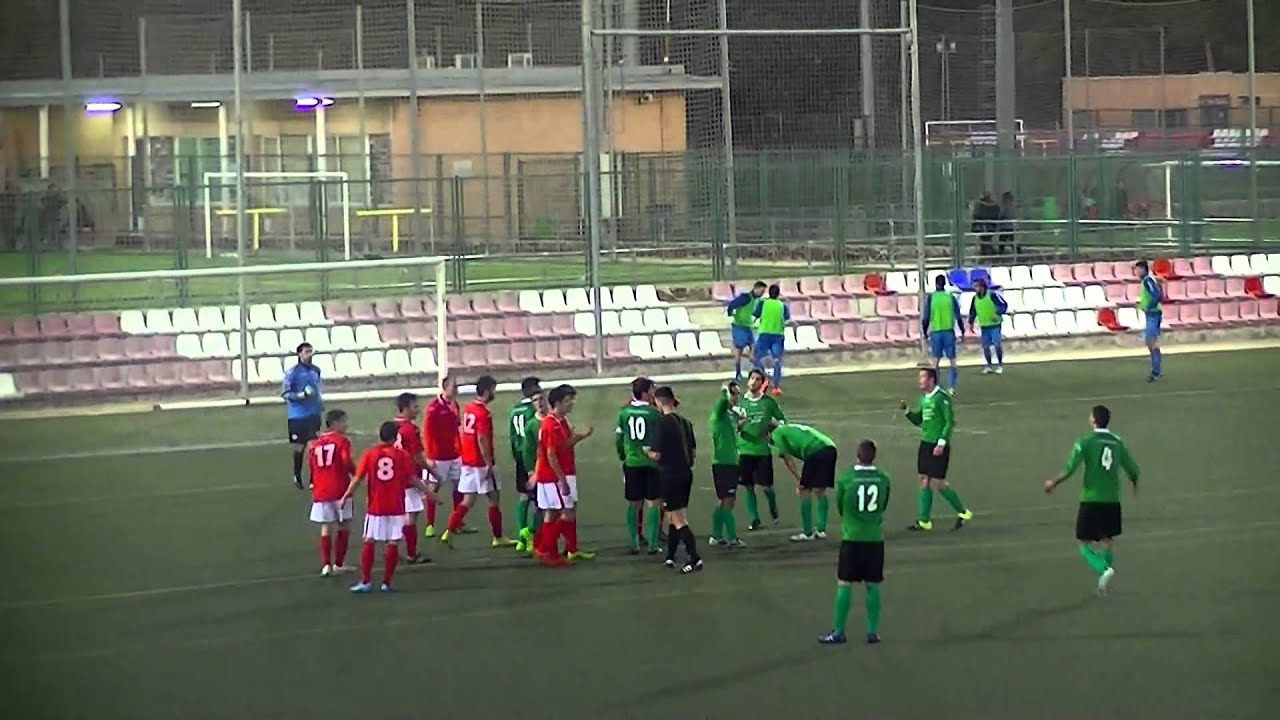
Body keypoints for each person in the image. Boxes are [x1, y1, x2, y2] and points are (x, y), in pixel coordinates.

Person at [1043, 405, 1140, 595]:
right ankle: (1103, 584)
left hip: (1091, 499)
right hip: (1112, 500)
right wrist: (1135, 484)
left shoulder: (1085, 442)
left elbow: (1070, 468)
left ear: (1093, 420)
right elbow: (1132, 468)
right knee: (1106, 540)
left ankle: (1103, 569)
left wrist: (1053, 483)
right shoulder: (1117, 442)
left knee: (1082, 542)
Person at [341, 421, 432, 593]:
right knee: (393, 542)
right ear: (395, 437)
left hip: (375, 506)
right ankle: (386, 583)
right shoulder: (402, 455)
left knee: (369, 541)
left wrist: (347, 494)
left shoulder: (369, 454)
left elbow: (358, 478)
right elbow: (412, 479)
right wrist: (430, 493)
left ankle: (366, 581)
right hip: (396, 506)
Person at [820, 439, 889, 645]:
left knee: (844, 584)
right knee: (873, 585)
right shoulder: (883, 478)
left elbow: (841, 506)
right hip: (875, 538)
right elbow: (883, 505)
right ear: (873, 456)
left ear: (857, 455)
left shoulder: (845, 478)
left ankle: (839, 631)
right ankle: (872, 632)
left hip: (852, 537)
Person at [444, 375, 517, 548]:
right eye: (493, 389)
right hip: (480, 463)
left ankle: (449, 530)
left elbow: (463, 431)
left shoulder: (469, 408)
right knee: (493, 499)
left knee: (467, 500)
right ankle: (498, 537)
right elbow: (482, 438)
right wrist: (489, 463)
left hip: (468, 461)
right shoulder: (483, 413)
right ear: (486, 390)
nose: (494, 393)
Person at [901, 368, 972, 532]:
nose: (919, 380)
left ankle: (963, 512)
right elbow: (919, 420)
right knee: (923, 479)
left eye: (922, 377)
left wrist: (941, 443)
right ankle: (924, 521)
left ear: (931, 380)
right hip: (925, 443)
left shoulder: (942, 397)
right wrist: (906, 411)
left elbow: (949, 421)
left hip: (938, 445)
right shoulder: (924, 398)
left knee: (939, 483)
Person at [532, 384, 595, 565]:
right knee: (566, 513)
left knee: (554, 513)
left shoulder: (560, 421)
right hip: (555, 476)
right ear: (557, 403)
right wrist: (562, 480)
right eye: (568, 401)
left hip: (560, 473)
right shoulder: (550, 425)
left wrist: (580, 437)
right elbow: (551, 454)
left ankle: (562, 551)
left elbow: (564, 446)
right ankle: (545, 548)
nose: (572, 404)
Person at [647, 386, 702, 574]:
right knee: (673, 515)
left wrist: (645, 452)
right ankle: (670, 556)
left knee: (678, 519)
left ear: (659, 401)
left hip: (669, 475)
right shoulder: (685, 422)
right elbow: (693, 451)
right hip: (685, 473)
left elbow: (656, 455)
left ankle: (694, 558)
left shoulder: (662, 424)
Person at [769, 421, 839, 542]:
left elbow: (788, 460)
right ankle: (821, 530)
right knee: (819, 490)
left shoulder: (776, 434)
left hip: (815, 451)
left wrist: (799, 479)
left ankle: (807, 533)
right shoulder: (788, 427)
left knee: (804, 491)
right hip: (830, 448)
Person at [617, 377, 663, 554]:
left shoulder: (624, 413)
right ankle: (653, 544)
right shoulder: (654, 413)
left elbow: (618, 439)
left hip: (632, 462)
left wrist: (624, 457)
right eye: (651, 389)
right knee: (654, 502)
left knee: (634, 503)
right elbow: (660, 438)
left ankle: (634, 542)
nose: (653, 393)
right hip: (651, 463)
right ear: (644, 392)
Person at [306, 409, 355, 577]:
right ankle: (339, 563)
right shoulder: (342, 441)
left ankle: (326, 565)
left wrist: (314, 482)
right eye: (344, 421)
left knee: (326, 527)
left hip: (321, 490)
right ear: (335, 423)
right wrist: (356, 474)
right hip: (340, 488)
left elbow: (311, 465)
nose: (346, 425)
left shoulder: (316, 444)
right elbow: (346, 461)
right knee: (344, 525)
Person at [737, 369, 787, 530]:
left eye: (758, 379)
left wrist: (773, 432)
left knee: (766, 487)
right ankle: (754, 519)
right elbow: (730, 423)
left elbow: (782, 421)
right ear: (748, 381)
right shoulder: (739, 403)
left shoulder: (768, 403)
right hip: (743, 451)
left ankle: (773, 508)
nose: (754, 381)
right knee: (748, 486)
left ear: (762, 383)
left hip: (762, 451)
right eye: (752, 378)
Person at [423, 375, 467, 537]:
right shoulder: (433, 408)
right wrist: (429, 456)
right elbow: (427, 432)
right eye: (454, 387)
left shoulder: (455, 405)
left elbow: (457, 428)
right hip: (438, 456)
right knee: (434, 488)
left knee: (459, 486)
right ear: (445, 388)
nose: (456, 390)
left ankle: (457, 523)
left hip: (455, 454)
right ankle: (430, 524)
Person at [393, 393, 431, 564]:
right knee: (411, 515)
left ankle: (395, 548)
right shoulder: (410, 429)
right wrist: (430, 470)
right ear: (406, 408)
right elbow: (417, 456)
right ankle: (411, 553)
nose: (418, 409)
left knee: (400, 514)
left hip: (393, 477)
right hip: (409, 476)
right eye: (415, 406)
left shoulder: (392, 426)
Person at [507, 376, 543, 552]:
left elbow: (512, 437)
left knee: (523, 497)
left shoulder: (515, 410)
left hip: (520, 456)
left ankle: (522, 538)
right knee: (540, 502)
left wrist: (516, 457)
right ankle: (531, 537)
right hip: (533, 458)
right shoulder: (533, 411)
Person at [708, 380, 745, 548]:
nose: (737, 397)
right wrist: (725, 391)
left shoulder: (729, 415)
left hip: (730, 462)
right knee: (728, 500)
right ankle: (731, 538)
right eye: (735, 393)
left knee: (724, 500)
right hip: (723, 463)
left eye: (738, 393)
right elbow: (723, 403)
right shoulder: (719, 413)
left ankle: (716, 536)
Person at [282, 342, 323, 489]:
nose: (309, 354)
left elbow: (318, 390)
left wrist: (319, 404)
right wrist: (301, 395)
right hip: (297, 416)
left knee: (314, 447)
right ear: (299, 354)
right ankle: (297, 474)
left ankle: (314, 478)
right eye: (306, 352)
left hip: (313, 415)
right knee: (300, 447)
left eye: (311, 351)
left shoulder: (316, 371)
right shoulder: (292, 373)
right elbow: (286, 394)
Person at [921, 274, 965, 394]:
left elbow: (925, 317)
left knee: (935, 361)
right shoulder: (950, 297)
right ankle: (951, 387)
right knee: (953, 361)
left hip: (936, 332)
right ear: (945, 283)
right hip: (948, 331)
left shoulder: (931, 298)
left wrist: (924, 332)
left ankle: (937, 387)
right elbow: (958, 315)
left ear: (935, 284)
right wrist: (962, 331)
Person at [751, 284, 790, 394]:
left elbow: (754, 316)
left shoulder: (763, 303)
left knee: (756, 358)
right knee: (777, 360)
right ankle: (776, 386)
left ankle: (764, 378)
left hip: (764, 334)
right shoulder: (782, 305)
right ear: (778, 294)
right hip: (778, 335)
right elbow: (787, 318)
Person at [725, 281, 766, 382]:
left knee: (753, 350)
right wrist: (731, 315)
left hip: (747, 327)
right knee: (739, 351)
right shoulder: (746, 297)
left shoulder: (756, 300)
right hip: (739, 327)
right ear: (756, 289)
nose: (762, 293)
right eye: (761, 291)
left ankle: (759, 371)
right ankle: (738, 373)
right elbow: (732, 305)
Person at [967, 277, 1009, 374]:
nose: (975, 289)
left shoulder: (992, 295)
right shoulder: (975, 298)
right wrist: (971, 323)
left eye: (977, 286)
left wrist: (998, 312)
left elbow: (1003, 305)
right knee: (985, 347)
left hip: (995, 324)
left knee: (997, 344)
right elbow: (972, 312)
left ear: (982, 287)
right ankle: (989, 365)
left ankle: (1000, 364)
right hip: (984, 325)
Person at [1134, 260, 1163, 382]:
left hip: (1153, 314)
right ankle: (1155, 368)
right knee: (1150, 342)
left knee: (1151, 342)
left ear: (1143, 269)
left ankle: (1156, 371)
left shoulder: (1147, 281)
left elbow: (1156, 295)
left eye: (1137, 269)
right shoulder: (1146, 281)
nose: (1136, 272)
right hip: (1151, 314)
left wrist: (1149, 306)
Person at [971, 191, 1000, 259]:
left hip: (985, 226)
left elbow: (976, 215)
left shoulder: (980, 206)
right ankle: (987, 252)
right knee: (985, 240)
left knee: (985, 240)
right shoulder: (992, 206)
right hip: (987, 226)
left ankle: (987, 252)